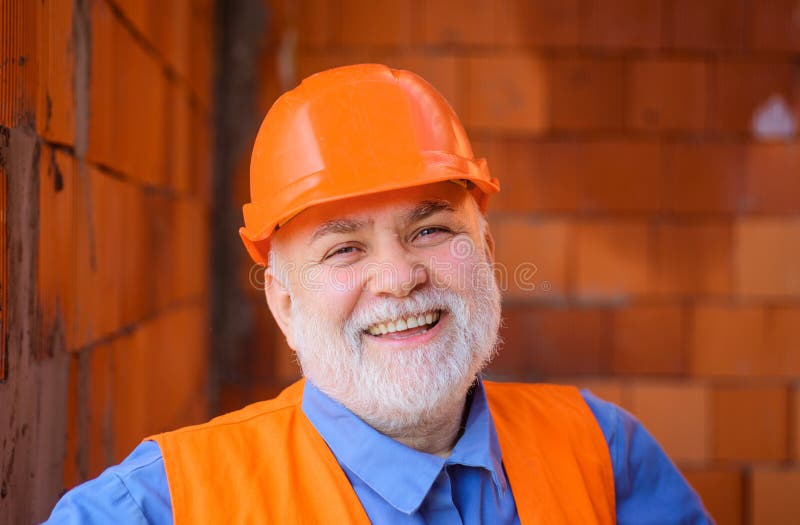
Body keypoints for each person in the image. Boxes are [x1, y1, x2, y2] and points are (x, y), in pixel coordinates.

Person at [46, 64, 711, 524]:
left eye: (429, 229)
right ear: (283, 303)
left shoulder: (603, 451)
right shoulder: (167, 503)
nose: (399, 277)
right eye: (344, 247)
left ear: (485, 254)